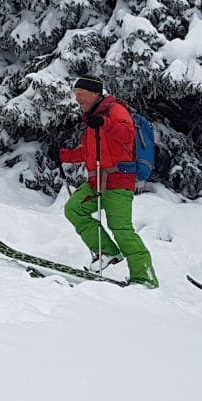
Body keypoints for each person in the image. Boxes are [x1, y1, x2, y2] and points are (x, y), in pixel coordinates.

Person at [58, 76, 158, 288]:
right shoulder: (92, 119)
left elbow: (127, 133)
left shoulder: (114, 109)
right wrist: (62, 155)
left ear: (94, 94)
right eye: (76, 96)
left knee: (120, 228)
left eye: (81, 95)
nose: (78, 100)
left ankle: (145, 277)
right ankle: (107, 252)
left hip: (119, 180)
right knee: (74, 209)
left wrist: (105, 122)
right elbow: (87, 153)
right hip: (96, 181)